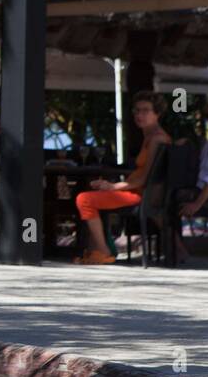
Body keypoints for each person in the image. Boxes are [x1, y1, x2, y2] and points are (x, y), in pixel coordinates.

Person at [72, 91, 172, 265]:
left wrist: (112, 186)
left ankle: (103, 252)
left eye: (145, 110)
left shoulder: (158, 139)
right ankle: (96, 249)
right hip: (136, 190)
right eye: (137, 110)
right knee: (90, 195)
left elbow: (145, 178)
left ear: (158, 113)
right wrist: (111, 185)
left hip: (141, 193)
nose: (139, 115)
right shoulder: (150, 136)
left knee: (84, 199)